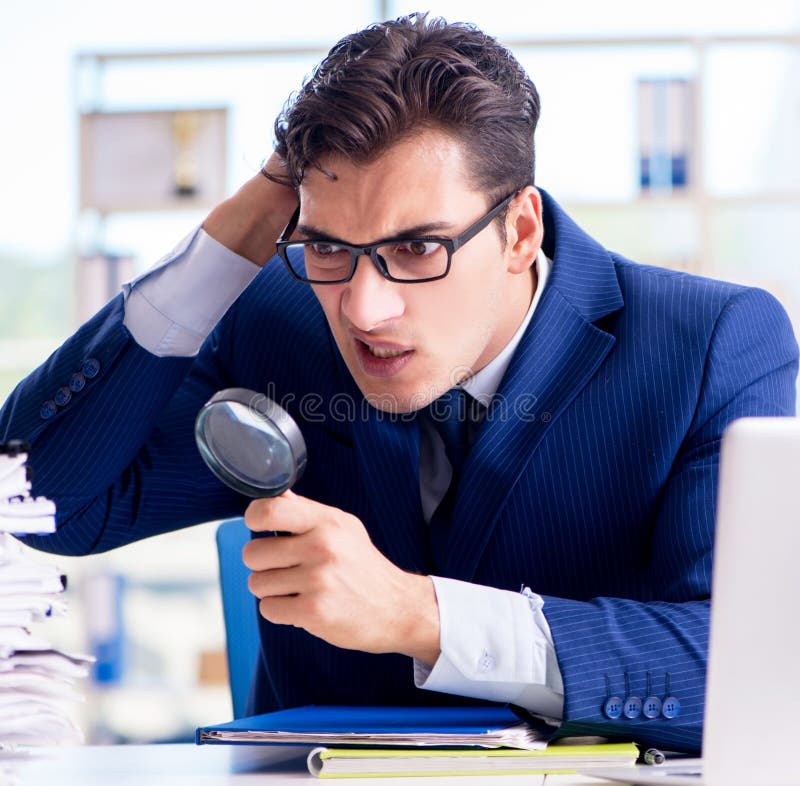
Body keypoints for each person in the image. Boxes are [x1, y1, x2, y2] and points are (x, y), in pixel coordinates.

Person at [1, 14, 797, 754]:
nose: (363, 309)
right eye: (327, 247)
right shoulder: (277, 321)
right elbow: (40, 504)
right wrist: (230, 244)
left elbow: (747, 666)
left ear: (520, 232)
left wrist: (422, 616)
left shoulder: (710, 345)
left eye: (417, 248)